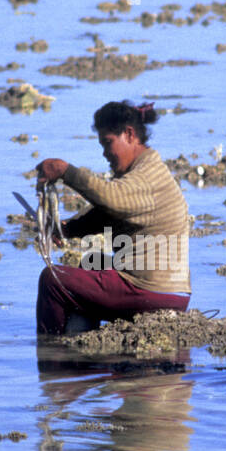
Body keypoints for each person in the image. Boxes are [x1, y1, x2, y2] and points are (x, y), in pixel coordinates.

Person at [35, 100, 191, 336]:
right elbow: (108, 215)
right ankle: (81, 341)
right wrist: (65, 229)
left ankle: (52, 354)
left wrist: (65, 171)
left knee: (52, 279)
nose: (105, 153)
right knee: (91, 262)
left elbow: (110, 198)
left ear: (129, 134)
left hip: (152, 290)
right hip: (171, 292)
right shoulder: (147, 172)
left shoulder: (147, 175)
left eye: (108, 143)